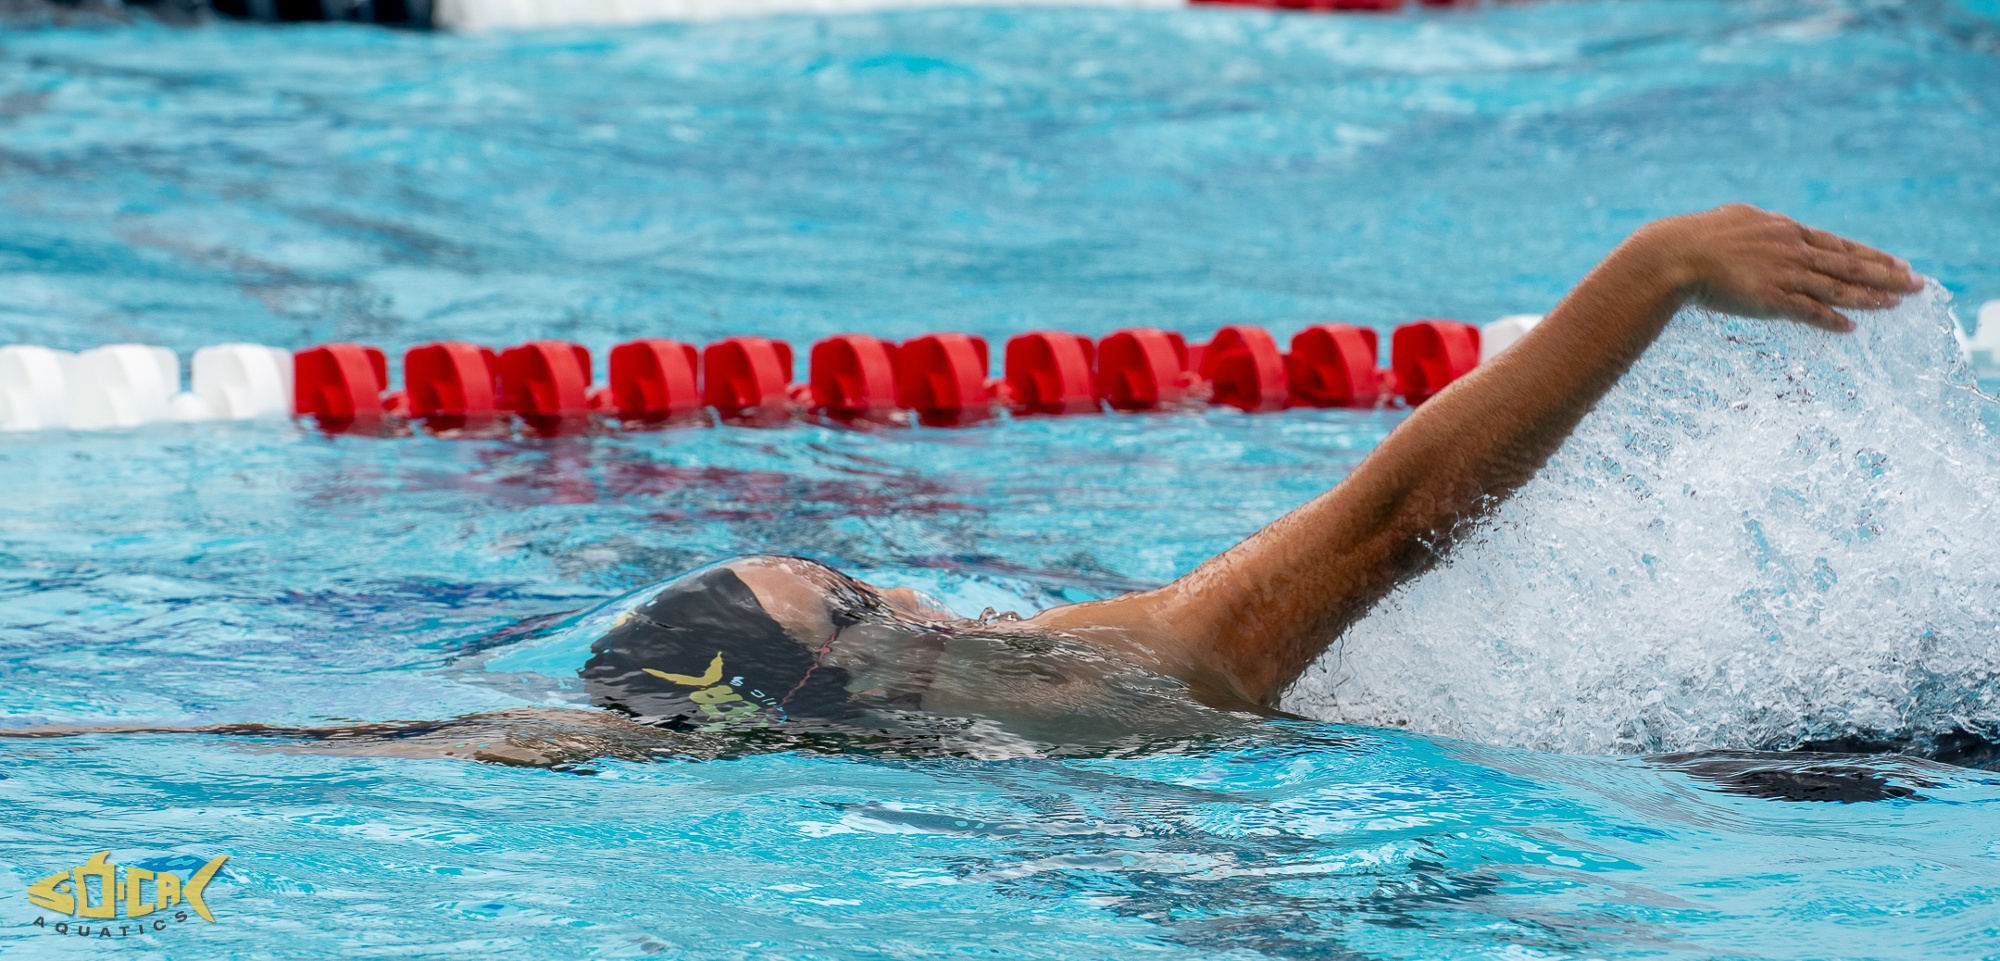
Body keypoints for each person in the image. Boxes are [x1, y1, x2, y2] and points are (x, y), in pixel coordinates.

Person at [4, 205, 1922, 765]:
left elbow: (515, 737)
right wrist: (1649, 271)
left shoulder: (908, 721)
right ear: (878, 674)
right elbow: (1400, 521)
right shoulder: (1111, 678)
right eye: (853, 600)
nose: (899, 584)